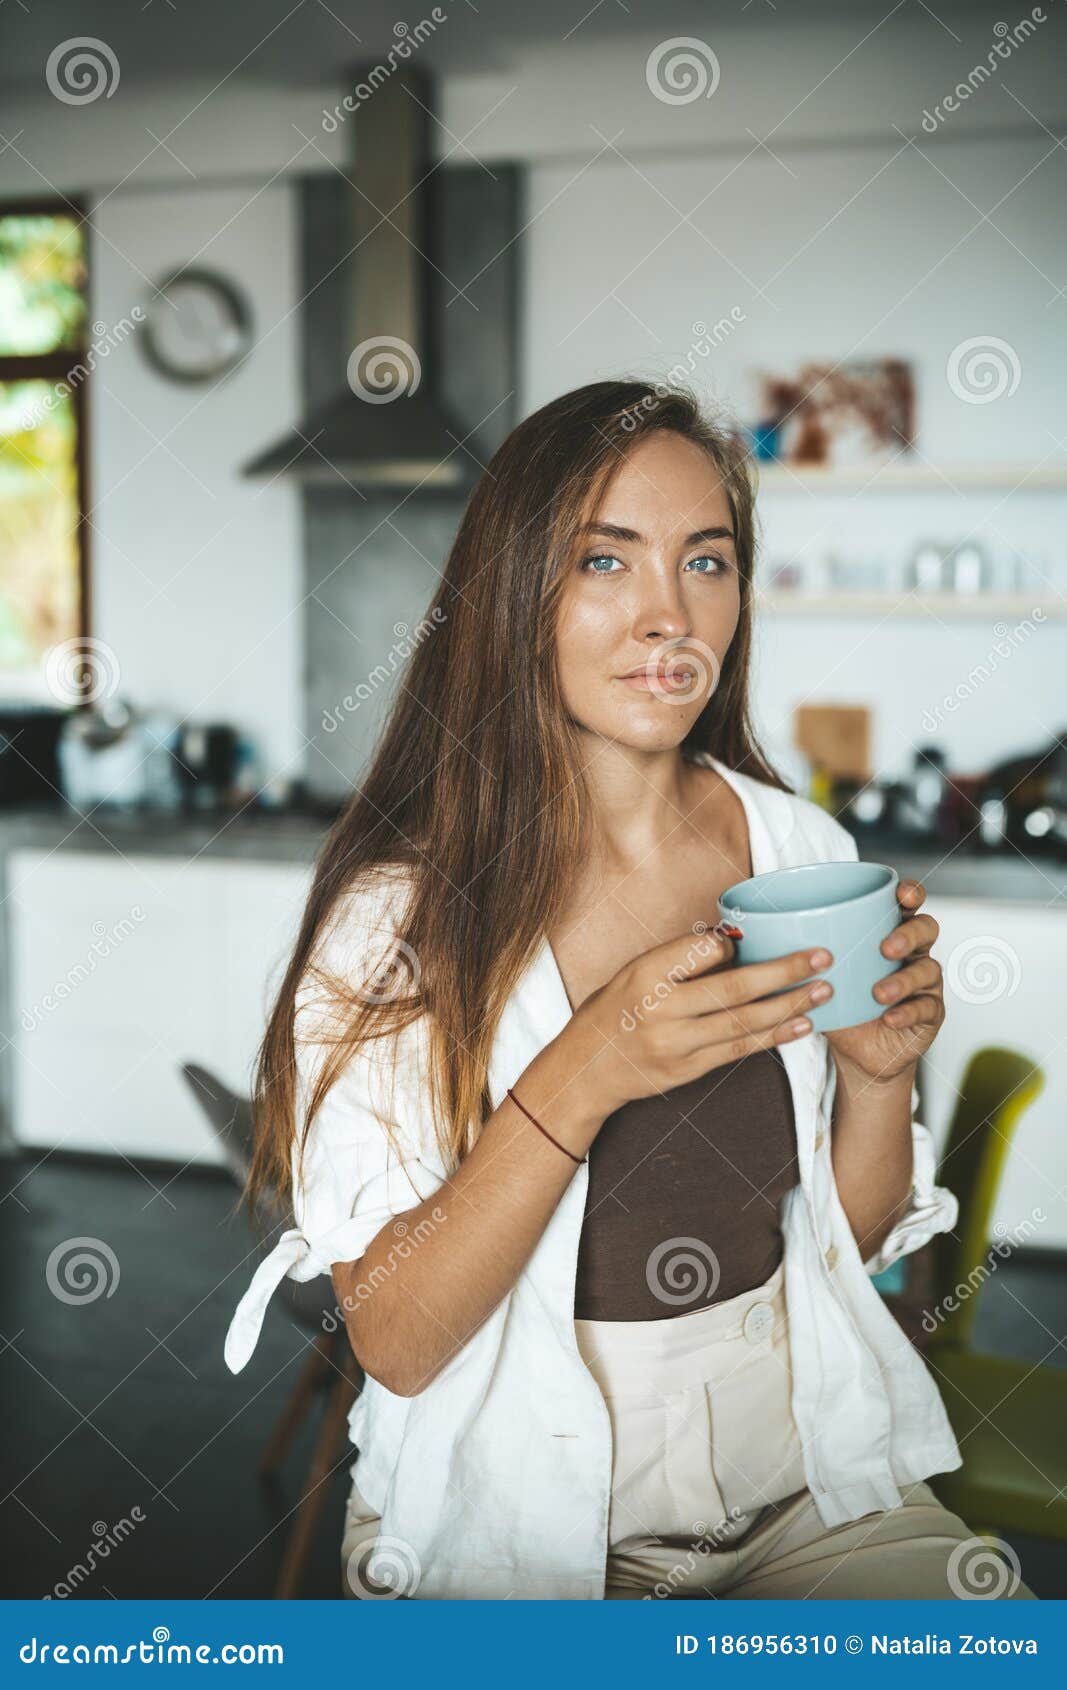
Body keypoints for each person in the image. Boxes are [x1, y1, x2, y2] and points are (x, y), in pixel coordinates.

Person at [223, 380, 1035, 1602]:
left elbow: (845, 1244)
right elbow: (393, 1340)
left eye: (704, 560)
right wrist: (587, 1072)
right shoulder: (397, 920)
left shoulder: (798, 851)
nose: (669, 613)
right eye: (606, 561)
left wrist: (876, 1080)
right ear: (512, 597)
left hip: (805, 1480)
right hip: (514, 1511)